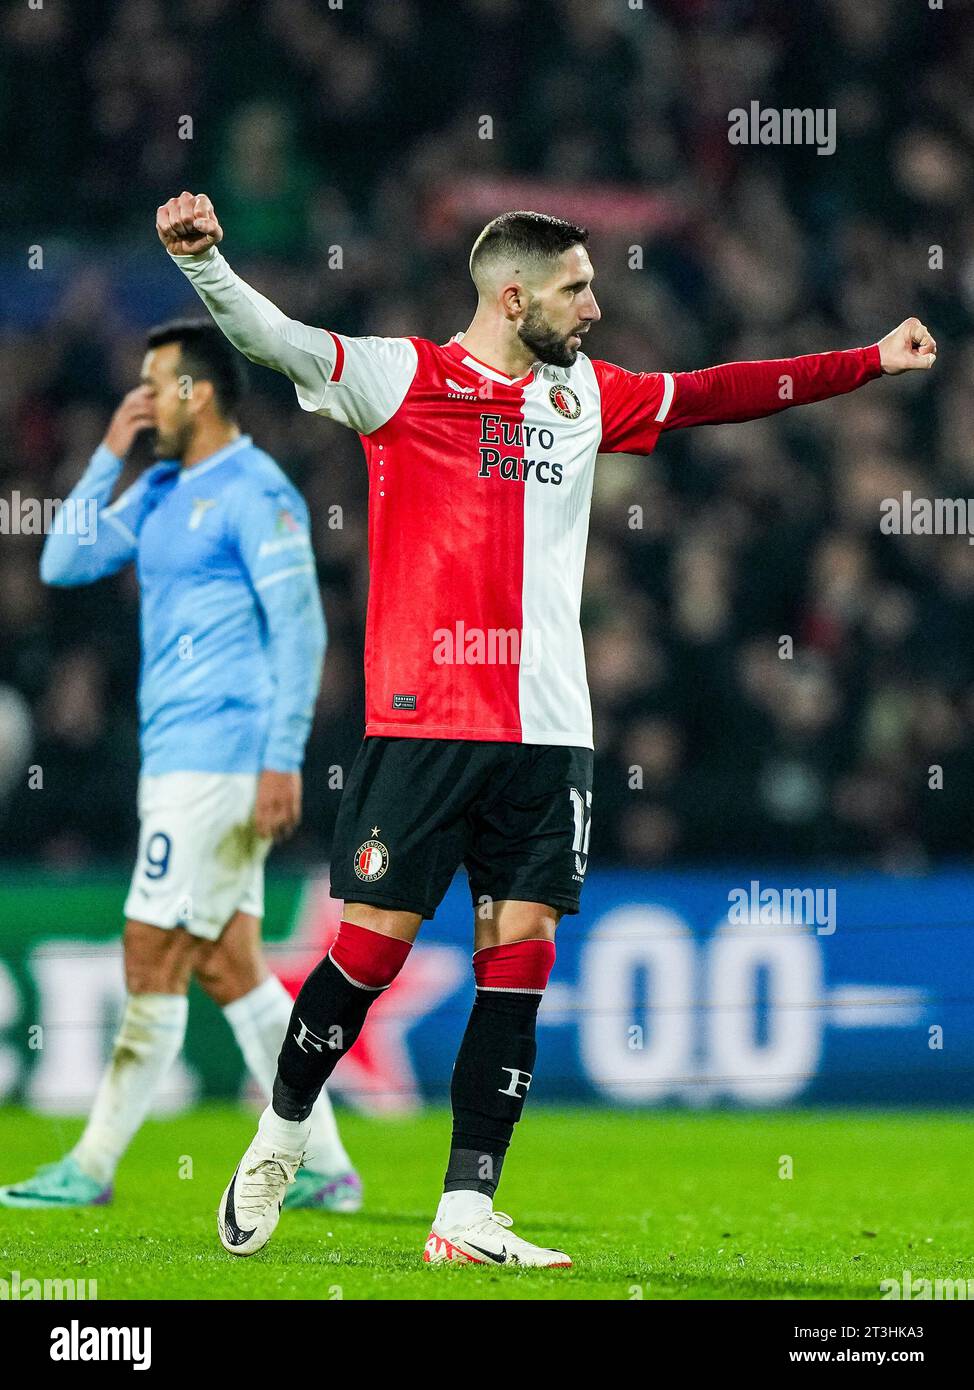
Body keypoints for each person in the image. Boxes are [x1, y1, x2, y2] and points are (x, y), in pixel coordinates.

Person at [157, 190, 936, 1267]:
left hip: (549, 734)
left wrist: (867, 359)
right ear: (511, 295)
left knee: (517, 957)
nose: (595, 307)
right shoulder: (402, 379)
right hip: (425, 727)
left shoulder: (583, 401)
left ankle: (465, 1212)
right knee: (368, 954)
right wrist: (204, 264)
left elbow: (717, 392)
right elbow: (272, 337)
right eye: (576, 287)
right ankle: (281, 1136)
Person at [0, 319, 360, 1213]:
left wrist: (282, 762)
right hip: (176, 757)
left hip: (224, 760)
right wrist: (107, 454)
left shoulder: (256, 492)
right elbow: (63, 556)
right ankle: (322, 1163)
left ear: (198, 392)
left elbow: (302, 629)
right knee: (230, 964)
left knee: (150, 950)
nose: (142, 399)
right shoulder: (162, 483)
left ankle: (90, 1165)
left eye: (155, 385)